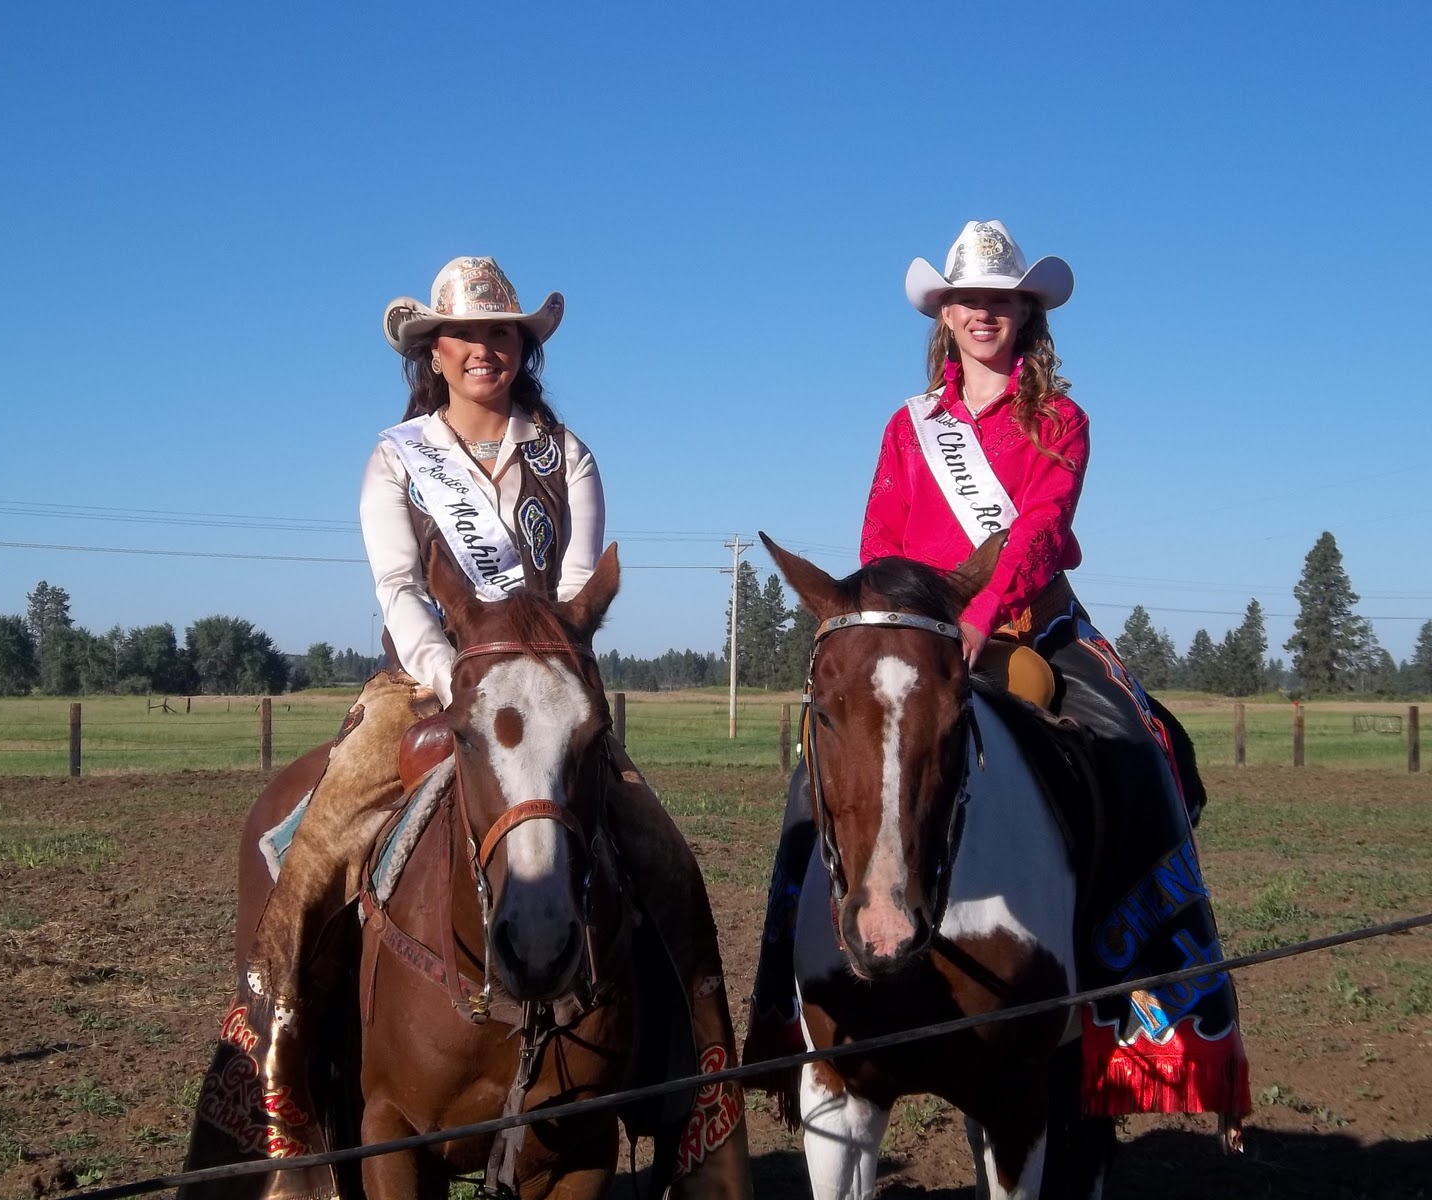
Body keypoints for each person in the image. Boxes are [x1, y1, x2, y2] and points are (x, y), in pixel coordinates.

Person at [182, 258, 750, 1200]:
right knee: (309, 859)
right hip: (423, 685)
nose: (485, 349)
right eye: (466, 335)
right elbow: (399, 588)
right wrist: (458, 680)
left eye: (502, 333)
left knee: (667, 867)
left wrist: (532, 673)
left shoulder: (566, 456)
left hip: (544, 688)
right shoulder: (398, 456)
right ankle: (283, 1096)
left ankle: (697, 1111)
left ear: (524, 347)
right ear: (433, 353)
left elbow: (577, 591)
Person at [743, 222, 1250, 1130]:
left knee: (1141, 749)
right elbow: (880, 541)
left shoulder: (1059, 421)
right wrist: (903, 626)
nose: (984, 313)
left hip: (1033, 626)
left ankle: (1145, 1006)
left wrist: (981, 617)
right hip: (920, 638)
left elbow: (1042, 529)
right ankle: (787, 1005)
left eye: (1001, 300)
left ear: (1026, 312)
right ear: (944, 315)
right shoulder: (909, 425)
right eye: (968, 300)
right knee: (811, 782)